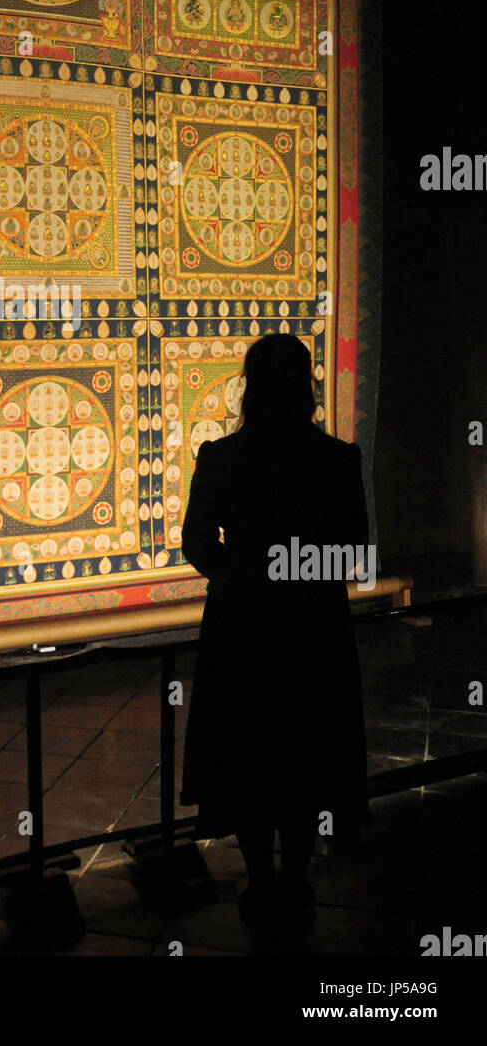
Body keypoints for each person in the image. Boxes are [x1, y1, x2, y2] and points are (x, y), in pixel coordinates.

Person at [180, 333, 369, 939]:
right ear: (308, 387)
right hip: (315, 630)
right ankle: (295, 874)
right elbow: (356, 555)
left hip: (242, 629)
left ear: (250, 386)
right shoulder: (339, 460)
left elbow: (196, 544)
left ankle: (262, 875)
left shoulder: (220, 458)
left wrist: (245, 575)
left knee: (249, 753)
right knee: (309, 751)